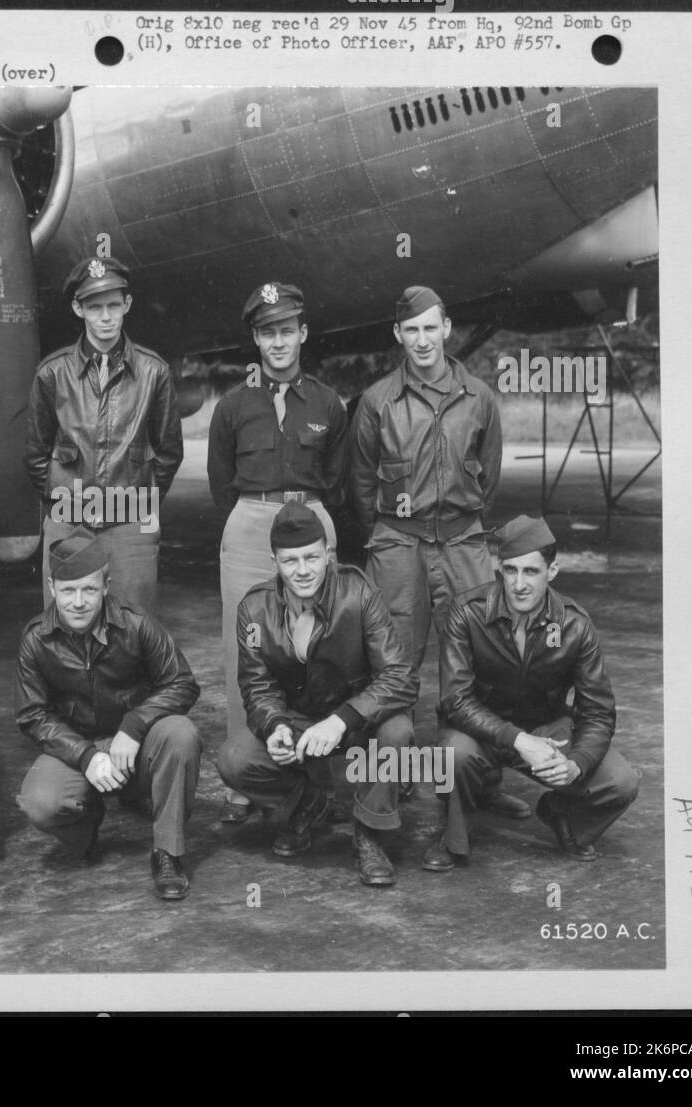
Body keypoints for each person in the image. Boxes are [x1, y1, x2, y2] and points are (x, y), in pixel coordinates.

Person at [348, 285, 524, 817]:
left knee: (473, 664)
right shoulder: (377, 401)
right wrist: (393, 534)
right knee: (392, 665)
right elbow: (358, 488)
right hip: (399, 542)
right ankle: (388, 783)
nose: (422, 340)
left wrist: (455, 521)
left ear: (447, 329)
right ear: (397, 335)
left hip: (464, 541)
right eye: (411, 330)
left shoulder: (479, 397)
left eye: (431, 328)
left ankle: (475, 781)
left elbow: (487, 477)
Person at [423, 515, 640, 870]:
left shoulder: (575, 624)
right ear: (498, 569)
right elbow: (455, 699)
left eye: (531, 572)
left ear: (552, 571)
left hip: (545, 732)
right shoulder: (468, 612)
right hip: (479, 731)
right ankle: (452, 836)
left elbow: (598, 712)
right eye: (511, 571)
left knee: (621, 782)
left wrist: (576, 764)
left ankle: (562, 815)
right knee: (454, 754)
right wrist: (518, 739)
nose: (519, 584)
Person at [218, 502, 416, 885]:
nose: (303, 570)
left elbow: (400, 676)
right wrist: (274, 725)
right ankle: (308, 803)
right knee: (234, 759)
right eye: (290, 561)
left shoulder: (360, 594)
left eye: (311, 557)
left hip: (357, 718)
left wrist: (342, 721)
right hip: (300, 722)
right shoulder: (254, 609)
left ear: (328, 556)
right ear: (273, 562)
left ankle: (369, 833)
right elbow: (258, 687)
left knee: (398, 732)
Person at [207, 281, 347, 824]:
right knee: (244, 644)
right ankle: (247, 775)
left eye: (287, 331)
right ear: (256, 340)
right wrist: (252, 517)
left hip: (311, 518)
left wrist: (312, 516)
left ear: (302, 334)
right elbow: (222, 482)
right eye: (268, 333)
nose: (278, 342)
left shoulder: (328, 403)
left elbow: (335, 480)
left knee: (325, 637)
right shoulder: (233, 406)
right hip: (250, 521)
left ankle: (321, 766)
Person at [16, 531, 202, 900]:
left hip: (134, 748)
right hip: (76, 750)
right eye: (68, 591)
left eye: (89, 589)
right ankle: (88, 820)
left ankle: (168, 852)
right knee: (41, 803)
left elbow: (182, 683)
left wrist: (134, 726)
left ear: (106, 586)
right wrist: (86, 756)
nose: (79, 602)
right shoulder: (36, 638)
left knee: (181, 734)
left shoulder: (136, 624)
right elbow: (33, 714)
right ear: (52, 588)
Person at [24, 256, 184, 613]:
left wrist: (138, 502)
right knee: (64, 629)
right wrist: (63, 505)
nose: (106, 317)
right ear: (78, 309)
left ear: (127, 304)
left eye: (114, 305)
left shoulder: (154, 372)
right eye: (95, 307)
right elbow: (36, 453)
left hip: (130, 524)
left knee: (134, 627)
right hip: (68, 519)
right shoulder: (51, 373)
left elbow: (169, 452)